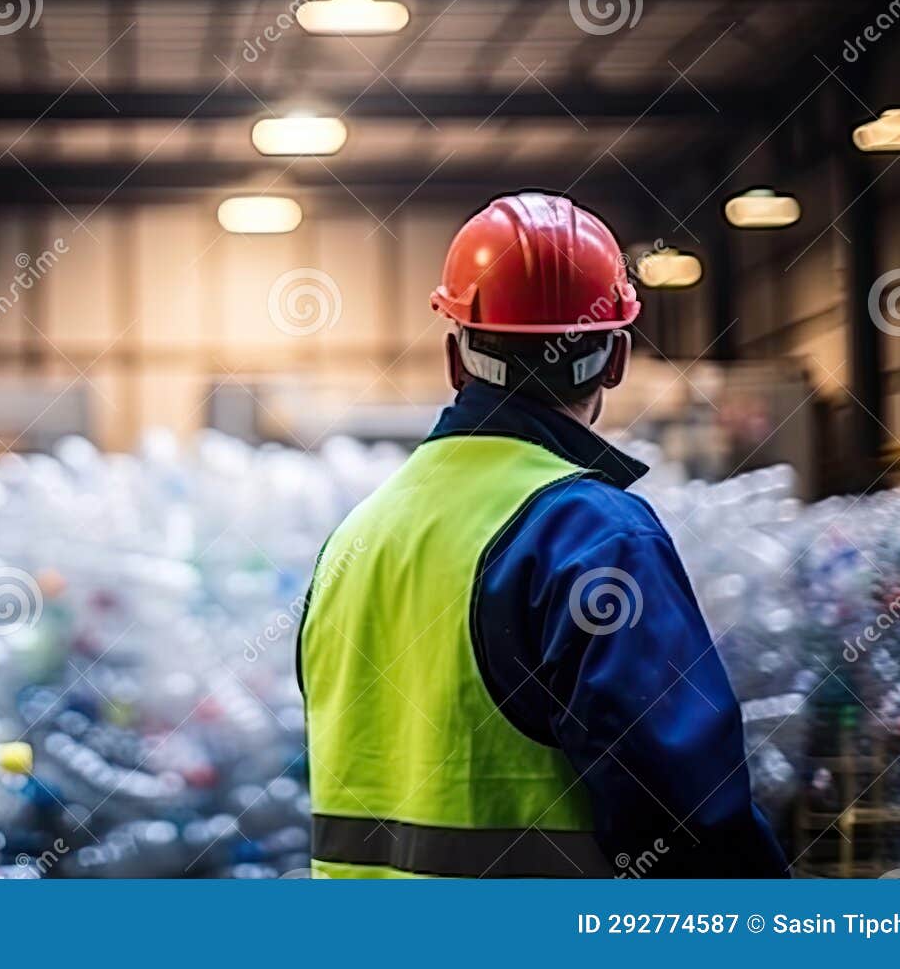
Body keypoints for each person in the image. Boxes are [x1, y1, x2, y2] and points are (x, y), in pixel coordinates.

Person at [296, 191, 788, 878]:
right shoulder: (591, 534)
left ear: (454, 357)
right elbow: (688, 813)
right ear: (614, 361)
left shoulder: (353, 540)